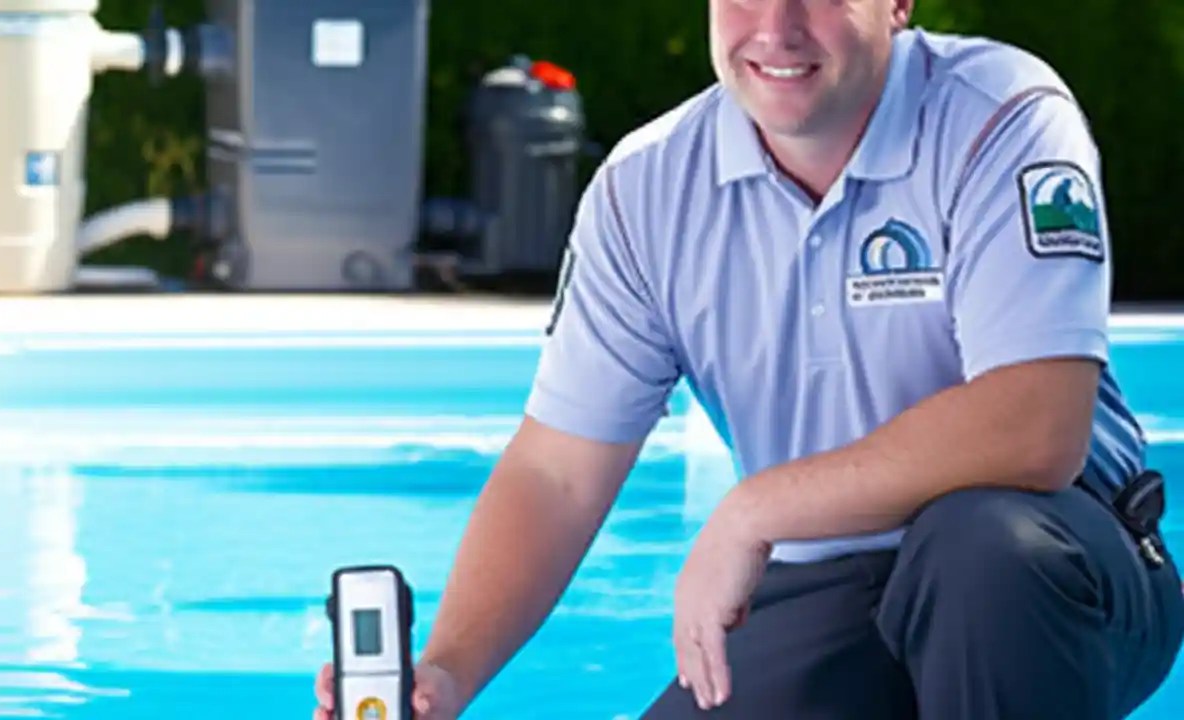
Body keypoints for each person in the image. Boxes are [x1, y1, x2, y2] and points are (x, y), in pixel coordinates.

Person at [316, 0, 1184, 717]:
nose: (776, 27)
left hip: (1065, 569)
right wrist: (449, 673)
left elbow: (1036, 427)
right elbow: (557, 469)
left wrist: (755, 510)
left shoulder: (1001, 114)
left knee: (979, 550)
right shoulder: (647, 188)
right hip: (834, 588)